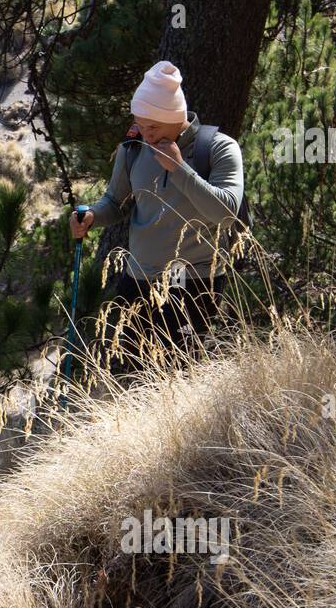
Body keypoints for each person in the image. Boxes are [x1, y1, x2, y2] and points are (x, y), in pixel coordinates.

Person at [71, 60, 245, 377]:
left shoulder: (219, 148)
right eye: (141, 124)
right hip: (137, 279)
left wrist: (179, 170)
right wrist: (93, 216)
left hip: (194, 283)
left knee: (180, 372)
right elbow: (117, 201)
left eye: (154, 127)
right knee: (133, 370)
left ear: (176, 119)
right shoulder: (134, 148)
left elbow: (226, 212)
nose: (146, 134)